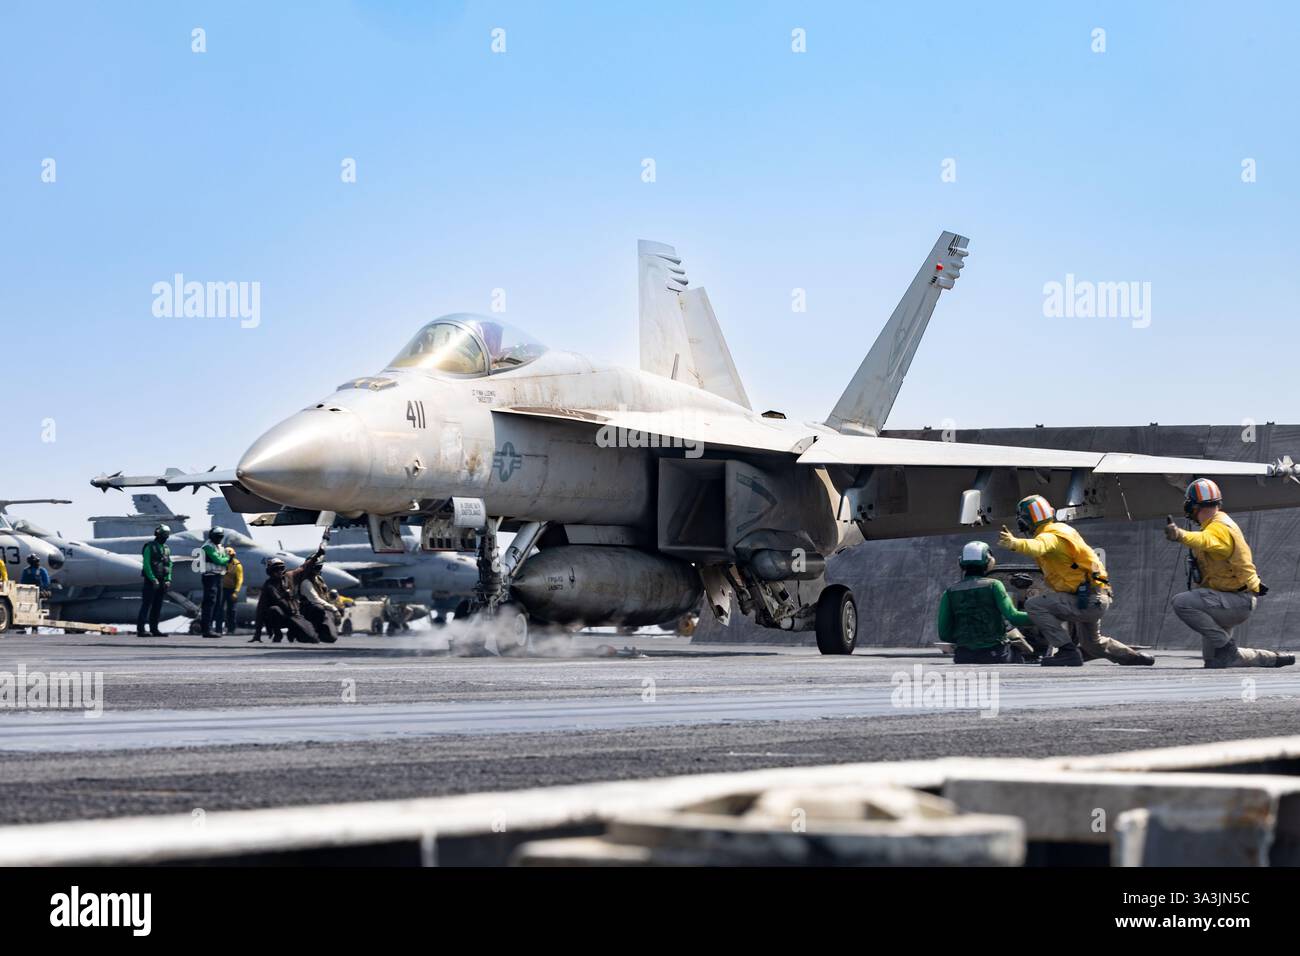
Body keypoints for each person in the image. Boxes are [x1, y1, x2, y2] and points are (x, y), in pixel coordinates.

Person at [998, 495, 1154, 667]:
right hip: (1095, 597)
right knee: (1092, 644)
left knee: (1035, 605)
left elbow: (1038, 547)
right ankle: (1134, 658)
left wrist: (1014, 543)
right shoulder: (1064, 530)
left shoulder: (1049, 535)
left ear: (1025, 521)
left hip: (1087, 600)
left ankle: (1067, 652)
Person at [1165, 479, 1295, 669]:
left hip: (1234, 601)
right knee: (1214, 660)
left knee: (1181, 602)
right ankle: (1271, 658)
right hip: (1225, 600)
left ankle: (1227, 646)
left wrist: (1180, 535)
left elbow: (1205, 540)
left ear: (1194, 505)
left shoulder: (1219, 528)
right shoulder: (1217, 524)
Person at [936, 542, 1037, 664]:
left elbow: (944, 633)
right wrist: (1042, 616)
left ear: (961, 563)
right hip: (995, 654)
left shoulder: (949, 592)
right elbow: (1013, 617)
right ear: (989, 561)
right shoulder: (994, 585)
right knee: (1019, 649)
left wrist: (967, 641)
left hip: (963, 656)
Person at [251, 553, 322, 644]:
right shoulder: (268, 587)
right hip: (282, 618)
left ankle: (292, 632)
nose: (279, 571)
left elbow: (304, 567)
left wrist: (316, 556)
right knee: (274, 609)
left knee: (313, 639)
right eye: (276, 569)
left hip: (296, 615)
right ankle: (278, 634)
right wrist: (257, 634)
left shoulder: (290, 577)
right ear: (271, 571)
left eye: (281, 568)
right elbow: (260, 610)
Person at [137, 524, 172, 637]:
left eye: (166, 535)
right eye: (164, 535)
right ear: (158, 534)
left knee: (157, 606)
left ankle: (154, 629)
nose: (165, 537)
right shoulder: (149, 547)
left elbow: (169, 564)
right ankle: (141, 630)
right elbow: (146, 564)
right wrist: (153, 579)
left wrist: (168, 579)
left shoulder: (166, 549)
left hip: (162, 581)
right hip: (151, 581)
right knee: (146, 605)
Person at [198, 527, 231, 638]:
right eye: (217, 536)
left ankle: (210, 629)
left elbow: (223, 559)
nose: (219, 538)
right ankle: (206, 630)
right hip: (210, 577)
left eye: (221, 536)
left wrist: (225, 559)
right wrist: (227, 558)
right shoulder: (207, 547)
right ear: (212, 536)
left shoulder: (219, 547)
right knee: (209, 603)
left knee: (217, 603)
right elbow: (219, 560)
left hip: (218, 576)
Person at [298, 567, 340, 644]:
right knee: (318, 608)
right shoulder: (306, 582)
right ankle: (315, 631)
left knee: (331, 638)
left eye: (319, 567)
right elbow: (315, 599)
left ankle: (323, 632)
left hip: (321, 606)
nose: (318, 570)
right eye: (316, 568)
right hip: (308, 608)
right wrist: (333, 608)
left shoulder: (319, 579)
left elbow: (324, 595)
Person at [221, 546, 243, 635]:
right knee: (219, 609)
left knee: (232, 610)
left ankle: (231, 629)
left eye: (229, 556)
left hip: (232, 590)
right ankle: (218, 628)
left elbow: (240, 579)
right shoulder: (220, 564)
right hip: (222, 590)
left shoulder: (237, 566)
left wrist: (236, 592)